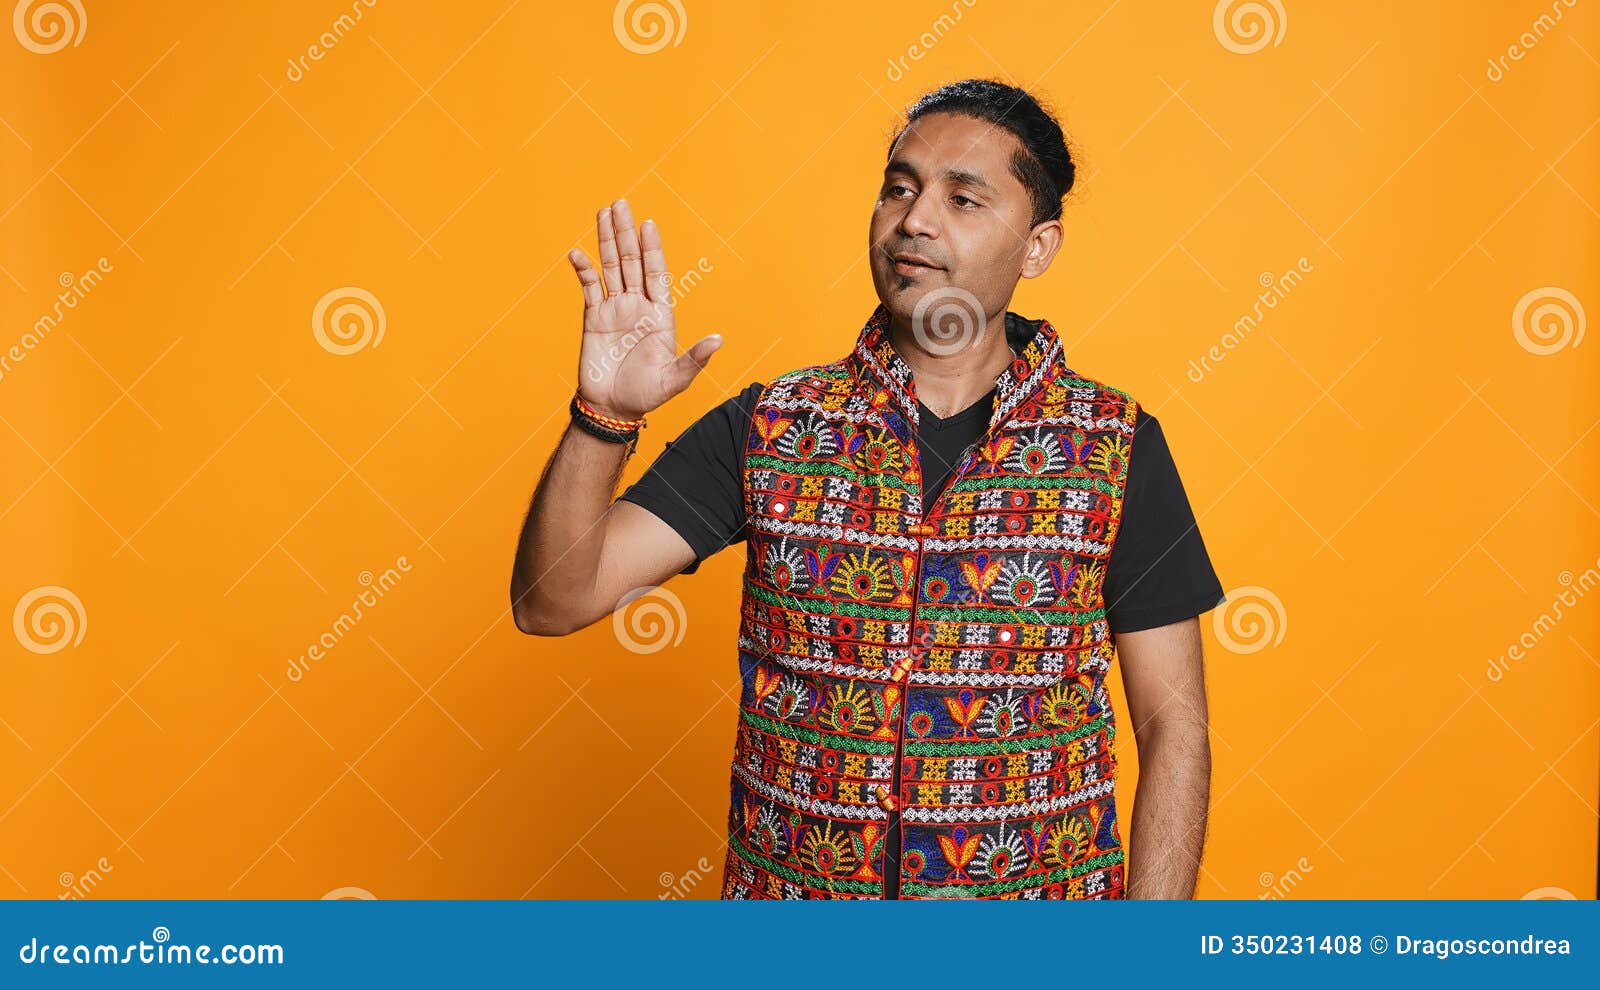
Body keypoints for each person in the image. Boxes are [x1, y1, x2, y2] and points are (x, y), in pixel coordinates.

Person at [510, 79, 1225, 900]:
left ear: (1037, 247)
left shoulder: (1114, 445)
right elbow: (551, 600)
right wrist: (602, 416)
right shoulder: (772, 427)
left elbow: (1174, 725)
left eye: (963, 198)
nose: (915, 219)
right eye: (899, 187)